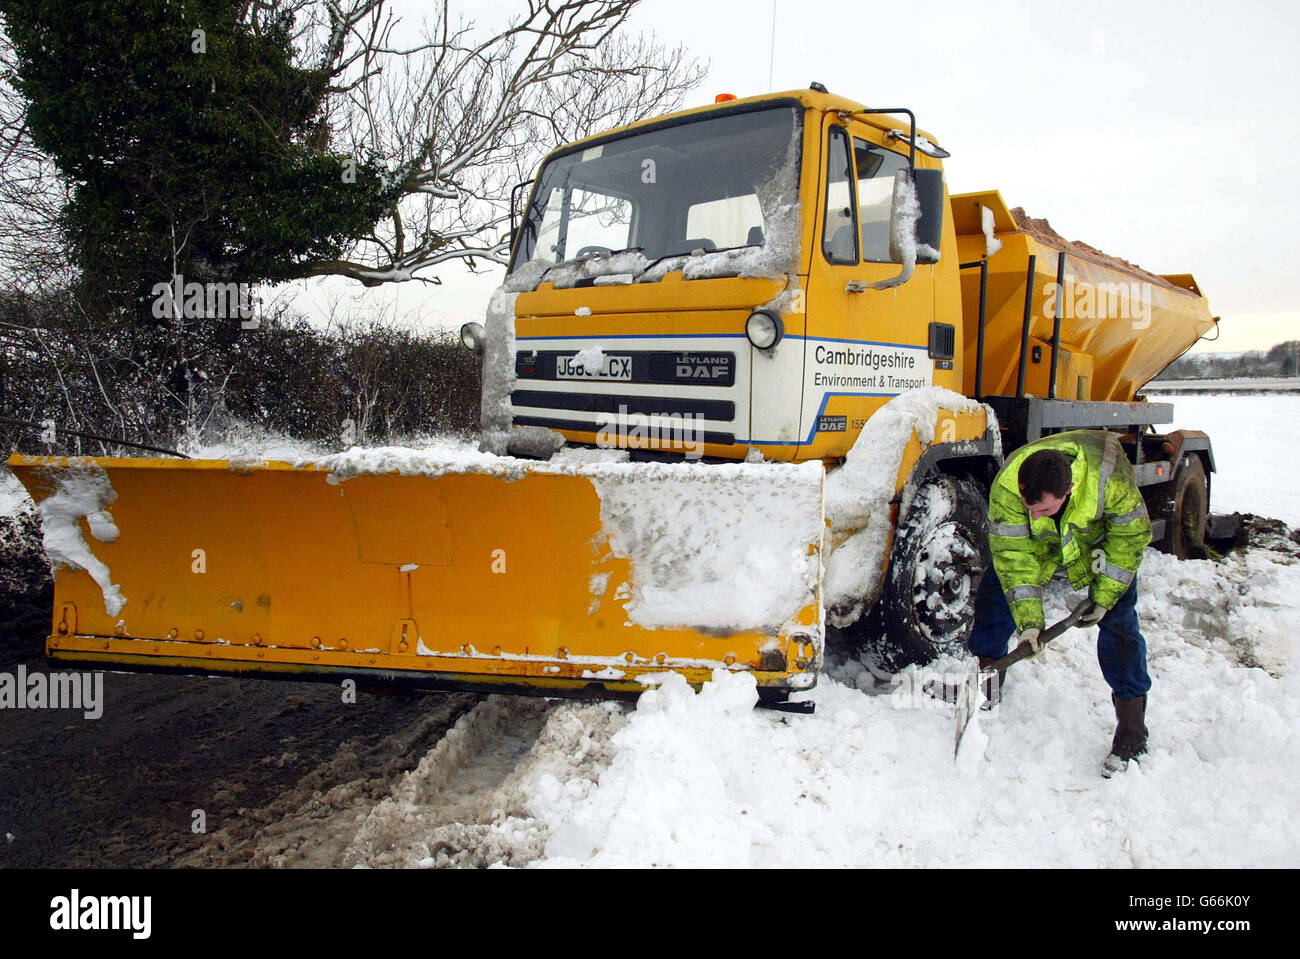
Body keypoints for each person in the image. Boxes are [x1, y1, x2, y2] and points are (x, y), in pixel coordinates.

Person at [970, 429, 1152, 776]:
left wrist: (1103, 598)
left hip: (1098, 533)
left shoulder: (1109, 482)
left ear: (1068, 492)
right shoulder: (1010, 487)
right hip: (1043, 542)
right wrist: (1030, 625)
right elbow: (1014, 558)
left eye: (1043, 509)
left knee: (1120, 622)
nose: (1034, 516)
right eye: (1029, 508)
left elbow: (1130, 538)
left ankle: (1132, 728)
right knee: (997, 593)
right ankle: (986, 681)